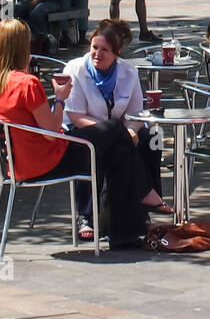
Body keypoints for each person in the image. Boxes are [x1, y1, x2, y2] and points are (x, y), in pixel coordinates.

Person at [0, 18, 165, 248]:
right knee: (114, 130)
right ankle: (142, 197)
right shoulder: (27, 84)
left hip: (15, 164)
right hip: (49, 160)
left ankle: (125, 231)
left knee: (117, 148)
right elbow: (51, 131)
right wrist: (59, 98)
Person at [56, 19, 165, 237]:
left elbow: (136, 113)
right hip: (83, 130)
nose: (97, 53)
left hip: (121, 132)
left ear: (117, 53)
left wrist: (132, 130)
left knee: (153, 139)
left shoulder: (129, 72)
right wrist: (117, 132)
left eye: (104, 49)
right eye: (94, 47)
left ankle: (140, 212)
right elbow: (76, 117)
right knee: (101, 146)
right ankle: (86, 216)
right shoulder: (75, 70)